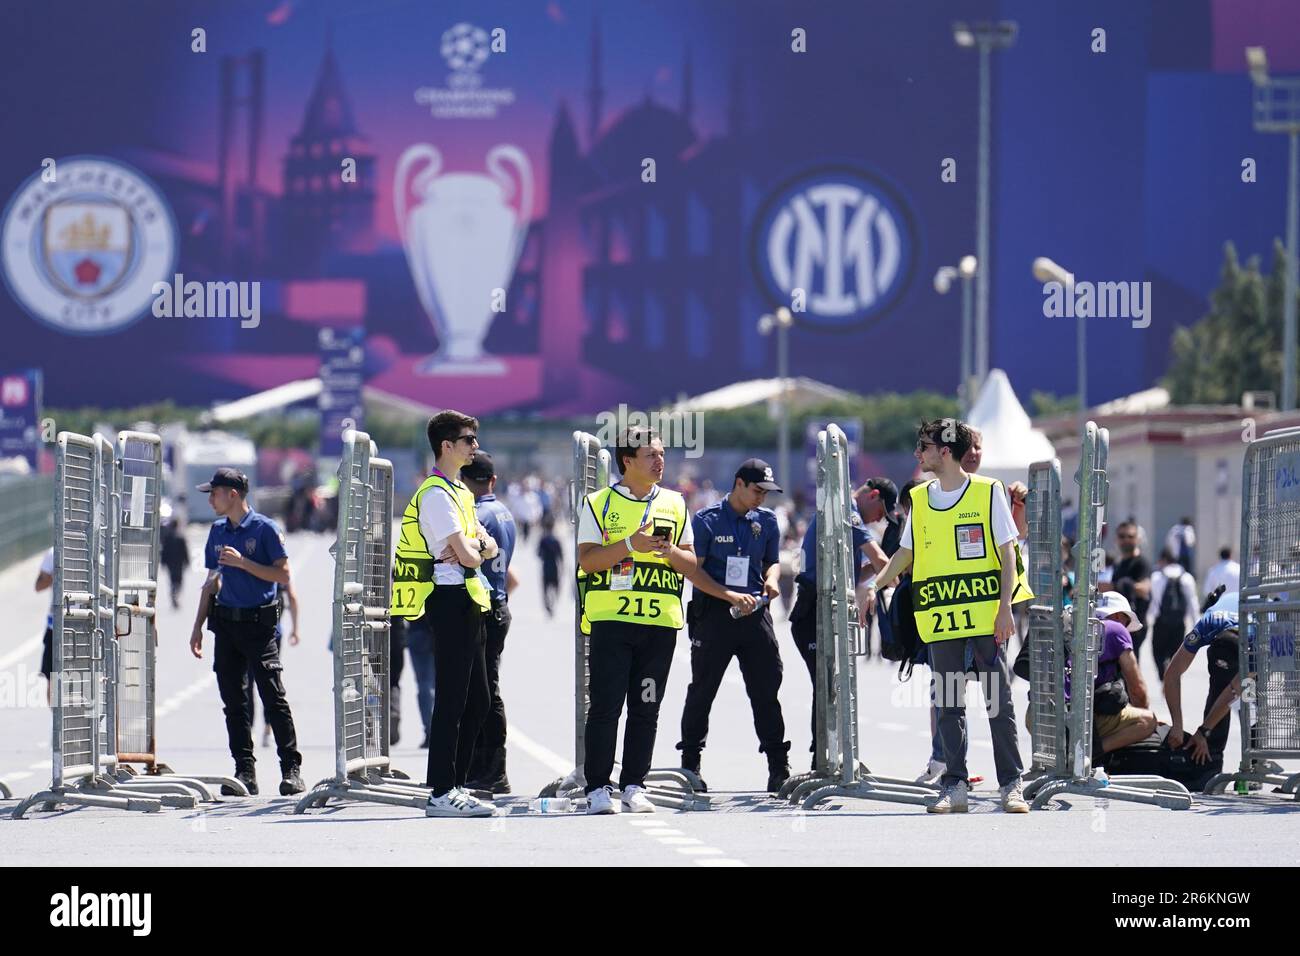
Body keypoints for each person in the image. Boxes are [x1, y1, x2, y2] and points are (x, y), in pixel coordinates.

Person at [876, 419, 1032, 814]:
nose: (918, 453)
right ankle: (954, 784)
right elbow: (906, 553)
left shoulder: (988, 491)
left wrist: (1003, 610)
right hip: (941, 621)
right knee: (948, 704)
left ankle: (1011, 784)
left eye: (923, 446)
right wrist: (872, 586)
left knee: (998, 703)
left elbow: (1008, 553)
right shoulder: (923, 498)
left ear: (945, 451)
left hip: (985, 619)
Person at [576, 426, 696, 814]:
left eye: (661, 454)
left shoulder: (676, 503)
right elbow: (588, 560)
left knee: (647, 707)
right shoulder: (598, 503)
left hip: (659, 624)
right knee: (606, 706)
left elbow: (692, 564)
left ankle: (634, 783)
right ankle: (597, 787)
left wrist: (669, 551)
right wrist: (631, 544)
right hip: (612, 622)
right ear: (627, 461)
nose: (660, 461)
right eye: (650, 455)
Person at [391, 410, 498, 818]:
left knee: (479, 698)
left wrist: (476, 548)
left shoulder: (462, 494)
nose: (475, 446)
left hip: (471, 597)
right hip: (448, 599)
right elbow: (472, 554)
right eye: (468, 440)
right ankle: (440, 790)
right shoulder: (436, 494)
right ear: (446, 446)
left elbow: (486, 549)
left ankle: (456, 782)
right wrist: (475, 549)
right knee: (453, 698)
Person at [188, 467, 304, 797]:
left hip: (258, 625)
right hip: (225, 624)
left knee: (273, 696)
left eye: (214, 493)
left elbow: (282, 575)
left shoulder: (265, 529)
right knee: (234, 701)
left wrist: (244, 564)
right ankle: (244, 771)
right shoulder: (217, 531)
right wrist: (197, 626)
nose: (210, 500)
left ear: (233, 494)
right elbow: (212, 580)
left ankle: (291, 769)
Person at [678, 458, 790, 793]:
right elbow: (693, 570)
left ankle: (777, 766)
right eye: (757, 491)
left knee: (767, 687)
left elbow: (772, 563)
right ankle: (690, 767)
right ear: (739, 483)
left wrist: (771, 581)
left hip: (755, 612)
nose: (761, 498)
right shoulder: (707, 520)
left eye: (766, 493)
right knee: (703, 689)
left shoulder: (767, 521)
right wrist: (727, 595)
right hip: (714, 614)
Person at [461, 450, 519, 794]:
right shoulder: (504, 512)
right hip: (498, 601)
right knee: (485, 688)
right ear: (492, 480)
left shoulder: (476, 515)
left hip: (483, 604)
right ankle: (485, 768)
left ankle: (491, 769)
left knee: (482, 691)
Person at [1162, 594, 1241, 780]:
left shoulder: (1260, 638)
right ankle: (1210, 764)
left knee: (1250, 698)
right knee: (1219, 688)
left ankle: (1255, 762)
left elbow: (1234, 692)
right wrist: (1177, 726)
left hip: (1263, 628)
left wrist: (1204, 730)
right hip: (1226, 628)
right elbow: (1172, 674)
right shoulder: (1208, 624)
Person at [1091, 593, 1159, 754]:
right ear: (1116, 615)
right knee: (1148, 721)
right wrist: (1142, 712)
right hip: (1078, 718)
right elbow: (1137, 690)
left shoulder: (1073, 624)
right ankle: (1094, 753)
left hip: (1039, 717)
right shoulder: (1114, 628)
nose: (1126, 628)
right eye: (1126, 622)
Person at [244, 580, 300, 748]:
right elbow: (292, 597)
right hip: (273, 635)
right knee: (270, 681)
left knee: (249, 681)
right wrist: (295, 629)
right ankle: (265, 730)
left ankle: (253, 730)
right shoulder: (277, 566)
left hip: (252, 631)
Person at [1099, 520, 1152, 658]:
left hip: (1134, 623)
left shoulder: (1141, 562)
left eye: (1130, 536)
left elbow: (1144, 589)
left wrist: (1117, 586)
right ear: (1117, 539)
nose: (1126, 540)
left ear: (1137, 539)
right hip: (1118, 622)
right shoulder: (1119, 563)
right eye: (1122, 536)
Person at [1147, 548, 1199, 680]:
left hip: (1161, 622)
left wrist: (1148, 619)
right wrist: (1196, 625)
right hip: (1179, 623)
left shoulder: (1156, 577)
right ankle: (1171, 679)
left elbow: (1154, 601)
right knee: (1175, 655)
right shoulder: (1187, 577)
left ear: (1163, 560)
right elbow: (1192, 602)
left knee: (1157, 652)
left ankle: (1163, 676)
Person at [35, 547, 54, 705]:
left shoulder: (94, 551)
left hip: (85, 624)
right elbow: (38, 586)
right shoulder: (53, 553)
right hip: (54, 626)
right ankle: (57, 723)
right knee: (52, 679)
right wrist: (54, 575)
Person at [160, 517, 189, 610]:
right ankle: (176, 593)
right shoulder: (181, 538)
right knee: (179, 581)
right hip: (179, 563)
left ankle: (173, 593)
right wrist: (187, 561)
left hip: (170, 563)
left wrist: (163, 562)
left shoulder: (167, 538)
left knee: (172, 580)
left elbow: (164, 551)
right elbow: (185, 551)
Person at [537, 515, 563, 617]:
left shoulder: (543, 540)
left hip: (545, 566)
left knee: (545, 588)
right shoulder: (556, 540)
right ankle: (553, 602)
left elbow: (538, 554)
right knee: (555, 587)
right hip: (555, 567)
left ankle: (548, 604)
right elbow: (561, 556)